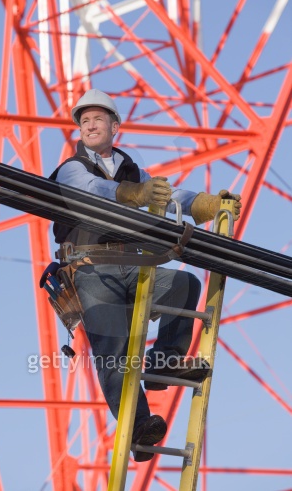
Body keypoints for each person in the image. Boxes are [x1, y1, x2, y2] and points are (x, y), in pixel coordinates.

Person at [50, 89, 242, 462]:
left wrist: (203, 204)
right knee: (114, 352)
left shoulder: (132, 169)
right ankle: (139, 424)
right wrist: (132, 193)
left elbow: (166, 195)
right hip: (91, 270)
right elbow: (92, 190)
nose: (89, 126)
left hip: (136, 265)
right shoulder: (72, 168)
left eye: (97, 119)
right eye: (84, 120)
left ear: (114, 127)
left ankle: (162, 363)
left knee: (184, 284)